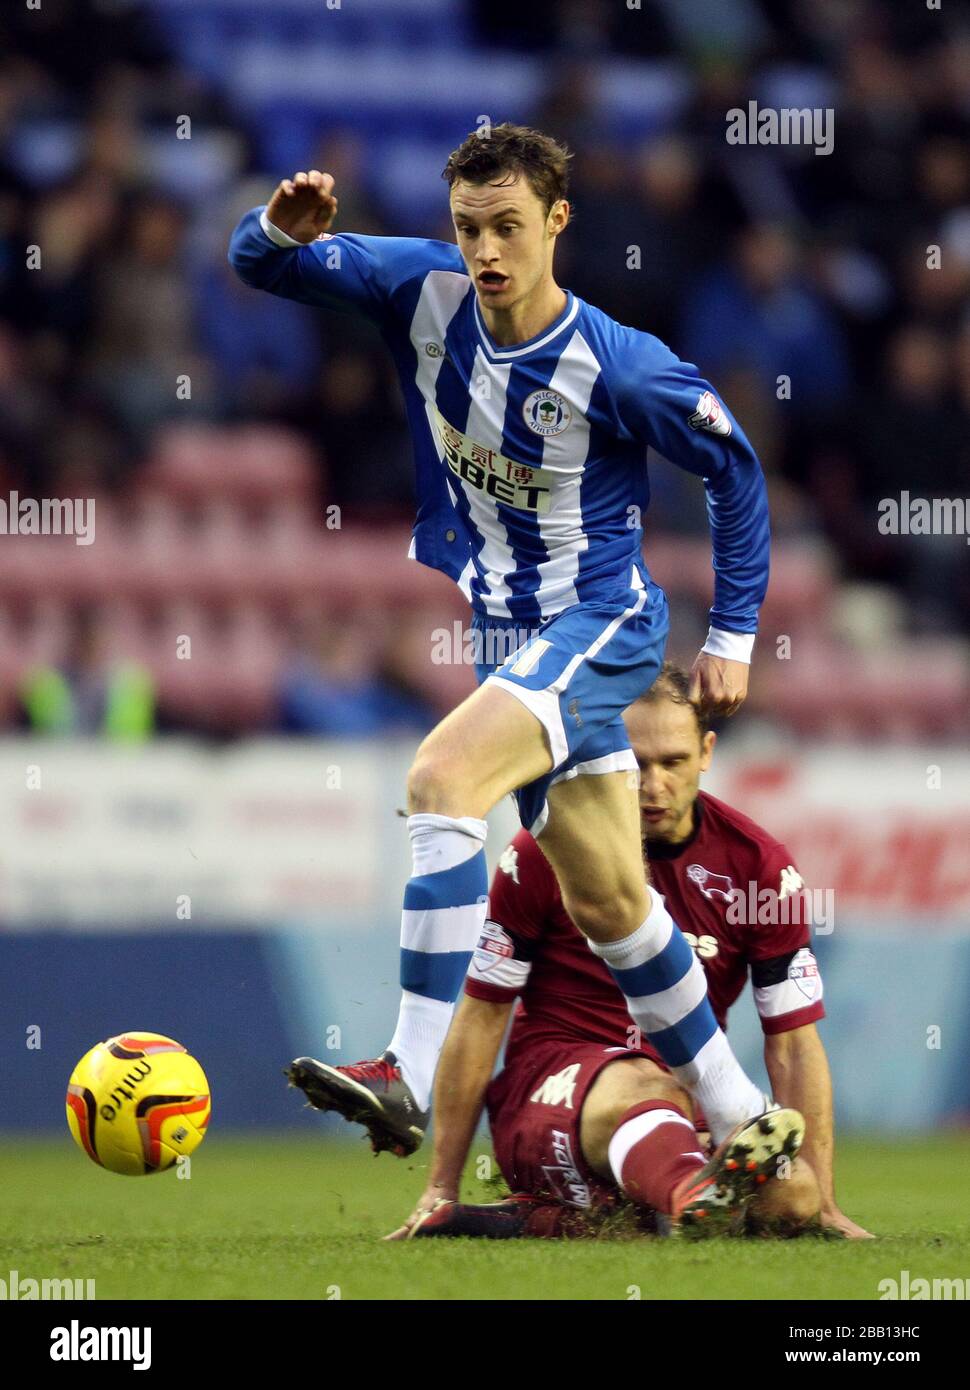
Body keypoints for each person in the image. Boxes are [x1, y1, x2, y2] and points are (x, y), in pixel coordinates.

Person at [230, 123, 782, 1161]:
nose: (486, 251)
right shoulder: (422, 288)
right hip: (503, 635)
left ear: (556, 224)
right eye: (469, 228)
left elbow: (734, 469)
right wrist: (275, 228)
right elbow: (257, 265)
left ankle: (403, 1065)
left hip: (600, 622)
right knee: (613, 902)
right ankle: (745, 1116)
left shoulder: (619, 365)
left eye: (508, 228)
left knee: (441, 777)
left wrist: (738, 635)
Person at [393, 667, 871, 1241]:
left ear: (706, 754)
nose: (652, 785)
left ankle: (570, 1214)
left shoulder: (757, 869)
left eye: (672, 762)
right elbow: (482, 1014)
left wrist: (826, 1204)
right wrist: (440, 1181)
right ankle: (687, 1194)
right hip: (550, 1091)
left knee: (792, 1198)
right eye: (635, 763)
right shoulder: (546, 852)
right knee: (647, 1088)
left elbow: (793, 1041)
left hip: (685, 1101)